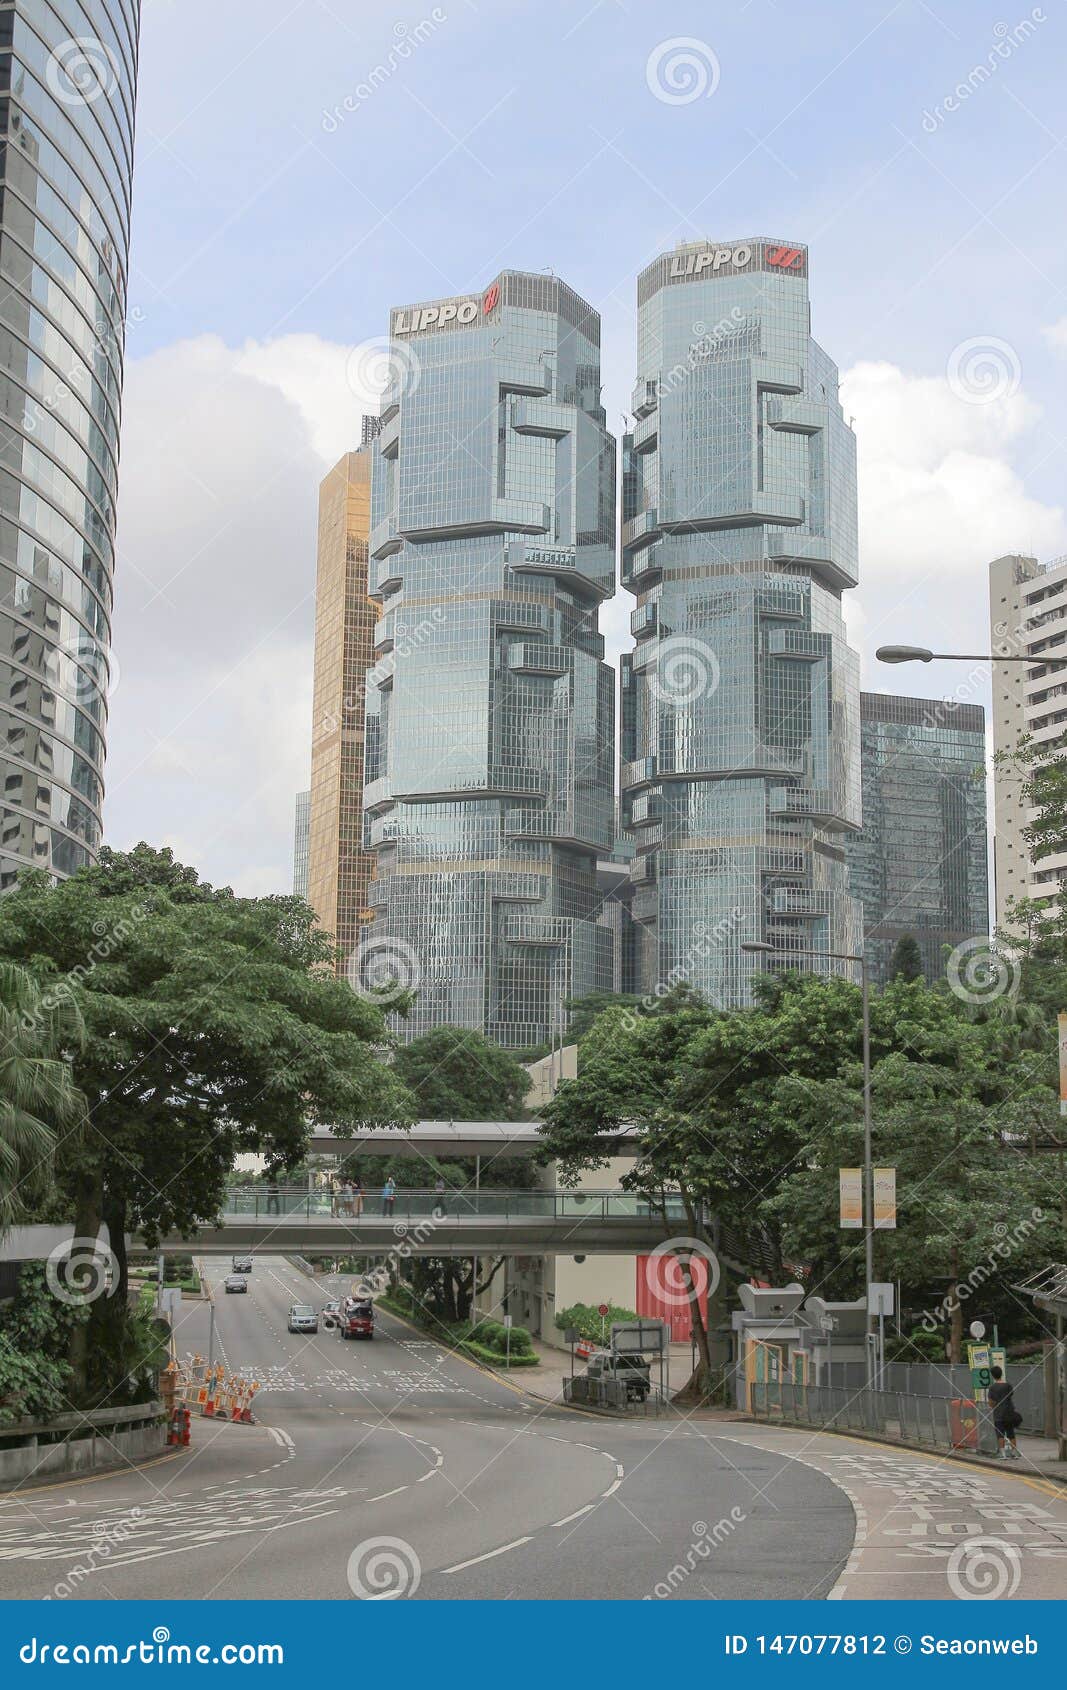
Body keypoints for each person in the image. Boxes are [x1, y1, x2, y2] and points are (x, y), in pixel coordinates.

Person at [988, 1364, 1021, 1459]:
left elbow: (991, 1402)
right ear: (1001, 1374)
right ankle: (1014, 1453)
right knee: (1011, 1433)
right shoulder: (1008, 1386)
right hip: (1009, 1413)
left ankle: (1003, 1454)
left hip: (998, 1414)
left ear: (993, 1375)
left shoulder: (992, 1388)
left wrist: (994, 1405)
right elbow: (1010, 1396)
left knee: (1000, 1434)